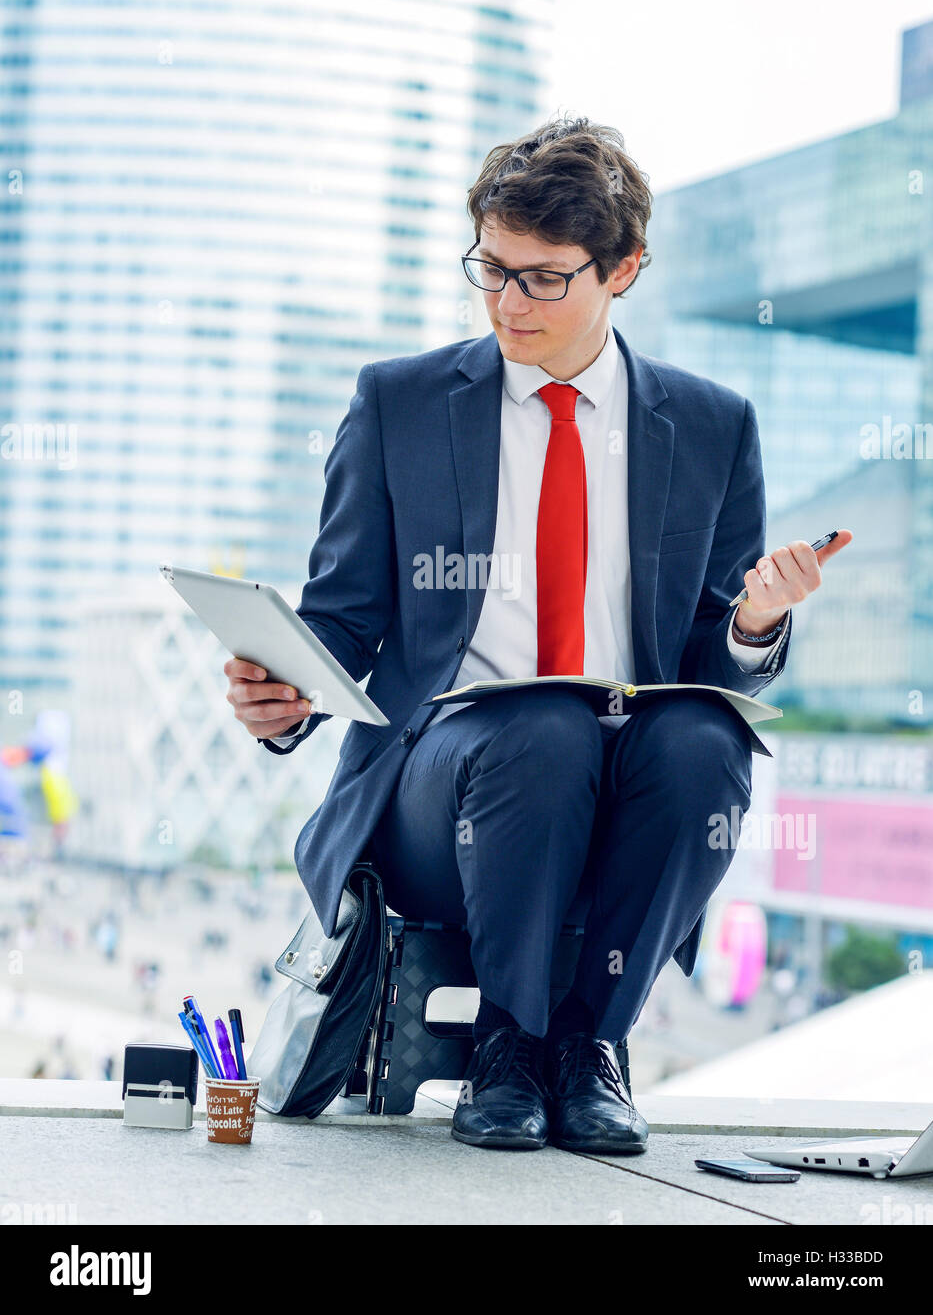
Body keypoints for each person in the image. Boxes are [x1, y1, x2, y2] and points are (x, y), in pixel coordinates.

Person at [225, 115, 852, 1152]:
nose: (509, 302)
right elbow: (342, 616)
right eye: (492, 268)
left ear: (626, 268)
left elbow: (704, 658)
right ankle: (509, 1046)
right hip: (445, 784)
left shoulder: (711, 425)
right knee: (544, 726)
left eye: (544, 277)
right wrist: (282, 693)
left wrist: (751, 622)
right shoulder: (403, 403)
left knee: (709, 744)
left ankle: (585, 1048)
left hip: (622, 782)